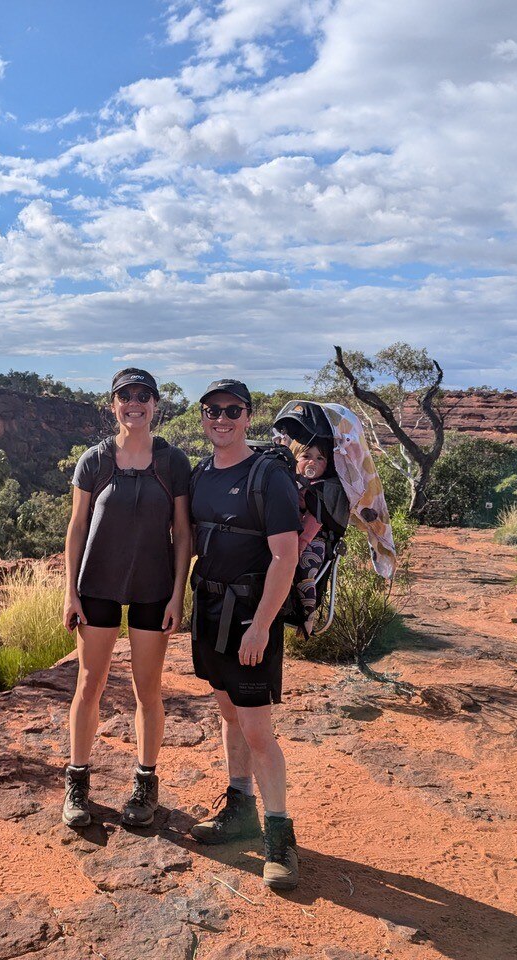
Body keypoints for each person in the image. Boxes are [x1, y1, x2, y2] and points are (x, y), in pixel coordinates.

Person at [61, 368, 192, 829]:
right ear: (113, 404)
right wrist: (70, 591)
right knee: (89, 684)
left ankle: (145, 782)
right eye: (125, 396)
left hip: (153, 589)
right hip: (97, 585)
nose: (134, 403)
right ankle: (77, 782)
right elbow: (77, 527)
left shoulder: (173, 463)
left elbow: (183, 533)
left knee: (147, 690)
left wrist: (177, 595)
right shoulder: (94, 461)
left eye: (143, 396)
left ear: (155, 404)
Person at [185, 379, 302, 891]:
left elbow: (285, 556)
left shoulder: (267, 476)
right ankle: (240, 810)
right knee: (229, 714)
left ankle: (280, 838)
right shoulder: (201, 474)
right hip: (209, 612)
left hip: (251, 616)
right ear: (202, 416)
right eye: (212, 410)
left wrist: (261, 626)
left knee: (257, 730)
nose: (222, 419)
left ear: (248, 416)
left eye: (232, 410)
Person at [290, 436, 349, 633]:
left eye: (320, 458)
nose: (312, 463)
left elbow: (313, 521)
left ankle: (308, 615)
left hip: (313, 539)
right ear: (294, 458)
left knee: (307, 568)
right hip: (286, 534)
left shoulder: (322, 490)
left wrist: (300, 546)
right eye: (306, 456)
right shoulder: (288, 483)